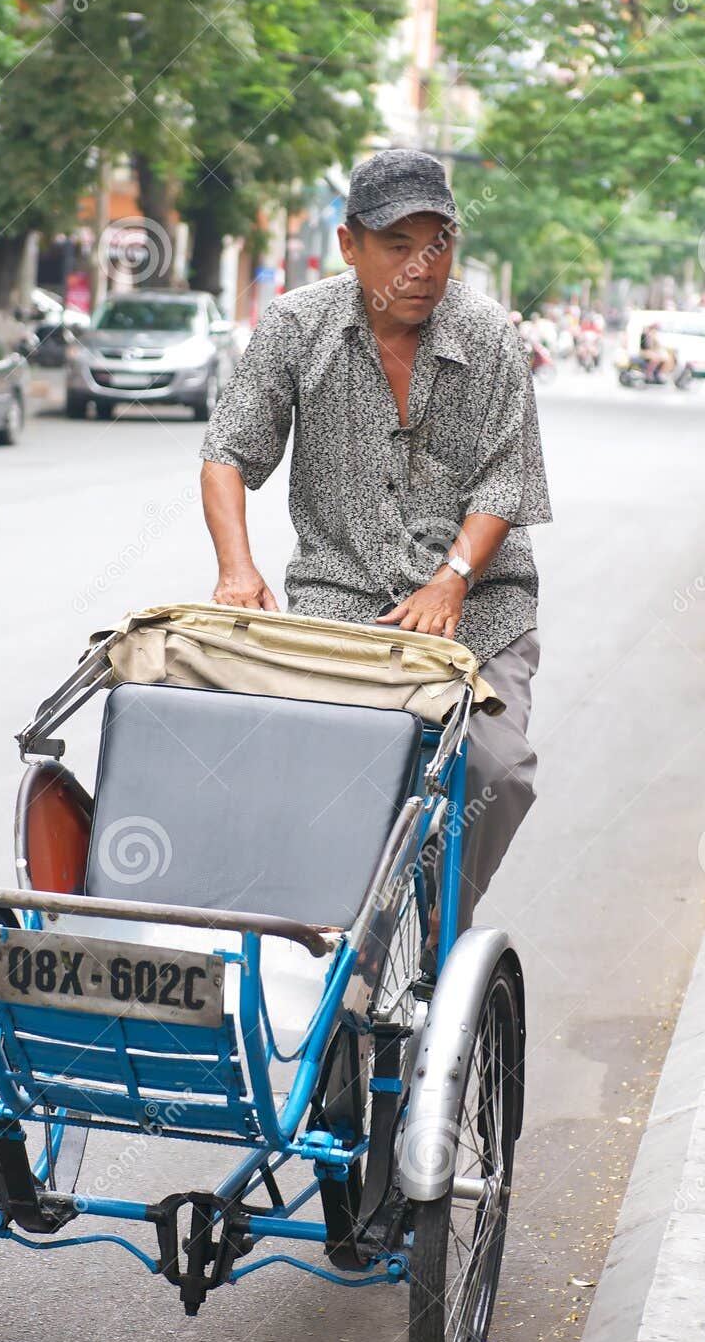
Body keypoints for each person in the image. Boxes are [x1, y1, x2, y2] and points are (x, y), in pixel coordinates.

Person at [199, 147, 552, 941]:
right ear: (348, 244)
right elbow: (227, 452)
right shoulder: (296, 326)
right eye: (398, 244)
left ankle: (439, 936)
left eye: (438, 243)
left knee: (494, 767)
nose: (421, 265)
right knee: (291, 762)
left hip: (480, 605)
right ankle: (313, 937)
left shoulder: (492, 337)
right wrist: (236, 568)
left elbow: (506, 481)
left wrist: (451, 579)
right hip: (340, 598)